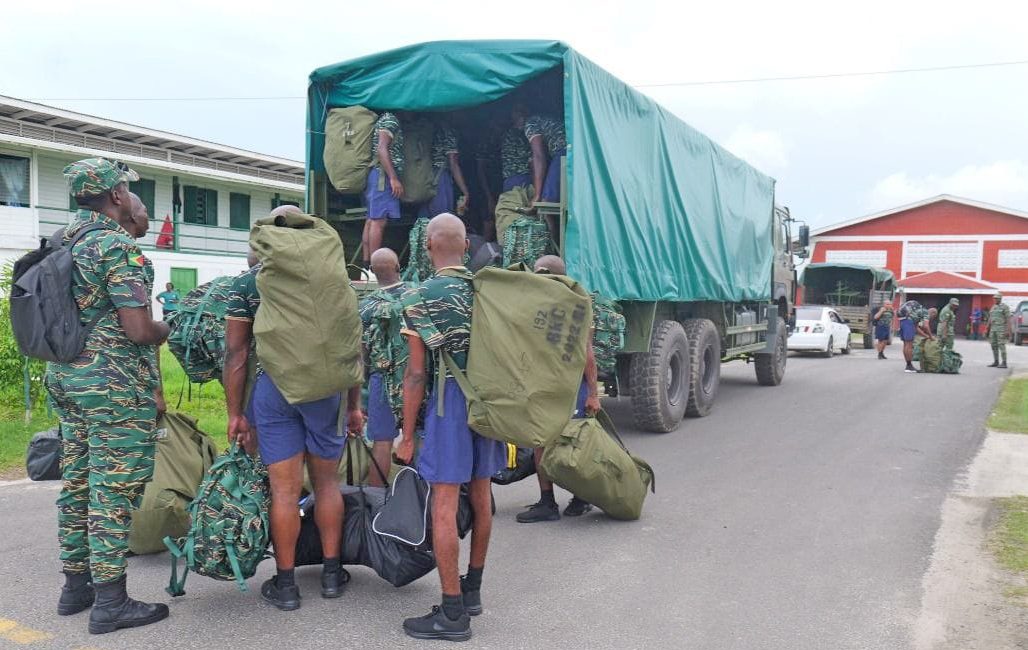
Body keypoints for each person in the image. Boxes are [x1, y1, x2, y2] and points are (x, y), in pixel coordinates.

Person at [46, 158, 171, 635]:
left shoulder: (62, 239)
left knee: (77, 482)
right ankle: (111, 602)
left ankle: (75, 587)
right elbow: (138, 330)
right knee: (112, 490)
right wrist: (167, 327)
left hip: (67, 380)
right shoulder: (115, 246)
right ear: (116, 195)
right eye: (126, 189)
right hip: (111, 386)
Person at [223, 203, 364, 611]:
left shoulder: (250, 283)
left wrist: (236, 413)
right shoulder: (333, 279)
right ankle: (333, 574)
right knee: (326, 485)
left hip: (276, 390)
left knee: (283, 491)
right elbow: (352, 345)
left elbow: (236, 353)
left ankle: (286, 585)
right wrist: (353, 404)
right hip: (327, 392)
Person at [397, 213, 505, 641]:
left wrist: (407, 434)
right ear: (465, 246)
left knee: (444, 502)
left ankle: (453, 613)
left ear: (427, 248)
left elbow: (416, 375)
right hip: (489, 400)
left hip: (450, 401)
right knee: (481, 493)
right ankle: (473, 589)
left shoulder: (420, 297)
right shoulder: (488, 290)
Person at [516, 255, 602, 523]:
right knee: (552, 442)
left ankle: (558, 500)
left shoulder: (554, 305)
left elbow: (587, 354)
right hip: (557, 387)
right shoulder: (578, 304)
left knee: (559, 442)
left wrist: (594, 393)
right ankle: (566, 500)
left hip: (558, 387)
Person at [358, 248, 409, 484]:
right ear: (398, 267)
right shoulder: (416, 294)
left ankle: (377, 501)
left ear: (372, 272)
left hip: (382, 379)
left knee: (382, 441)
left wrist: (362, 389)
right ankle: (421, 497)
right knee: (419, 436)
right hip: (415, 377)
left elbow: (361, 352)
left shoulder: (365, 306)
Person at [512, 105, 567, 234]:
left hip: (564, 153)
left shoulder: (530, 123)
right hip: (577, 154)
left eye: (515, 119)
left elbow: (538, 156)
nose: (515, 124)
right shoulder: (544, 120)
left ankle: (550, 248)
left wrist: (537, 195)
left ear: (522, 116)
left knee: (546, 204)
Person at [363, 110, 406, 269]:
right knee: (378, 222)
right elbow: (382, 148)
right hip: (383, 178)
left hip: (377, 176)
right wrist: (393, 178)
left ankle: (367, 265)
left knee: (371, 220)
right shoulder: (391, 119)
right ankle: (376, 267)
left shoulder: (384, 118)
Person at [419, 121, 471, 219]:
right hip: (440, 178)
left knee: (425, 219)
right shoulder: (448, 132)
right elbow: (453, 164)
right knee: (442, 219)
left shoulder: (428, 128)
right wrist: (465, 191)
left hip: (424, 176)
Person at [897, 299, 932, 373]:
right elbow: (926, 326)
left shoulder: (917, 312)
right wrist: (931, 336)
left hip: (902, 319)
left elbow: (915, 328)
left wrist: (925, 336)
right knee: (909, 344)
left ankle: (908, 365)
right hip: (908, 321)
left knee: (906, 344)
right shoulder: (926, 313)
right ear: (933, 314)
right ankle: (909, 366)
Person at [986, 292, 1011, 368]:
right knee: (993, 345)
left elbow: (1008, 319)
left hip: (1001, 329)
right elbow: (990, 319)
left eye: (997, 298)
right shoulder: (993, 307)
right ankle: (996, 361)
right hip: (993, 329)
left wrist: (1008, 330)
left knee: (1001, 345)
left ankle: (1004, 362)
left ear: (1000, 299)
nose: (995, 299)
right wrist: (987, 328)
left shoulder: (1004, 307)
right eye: (994, 298)